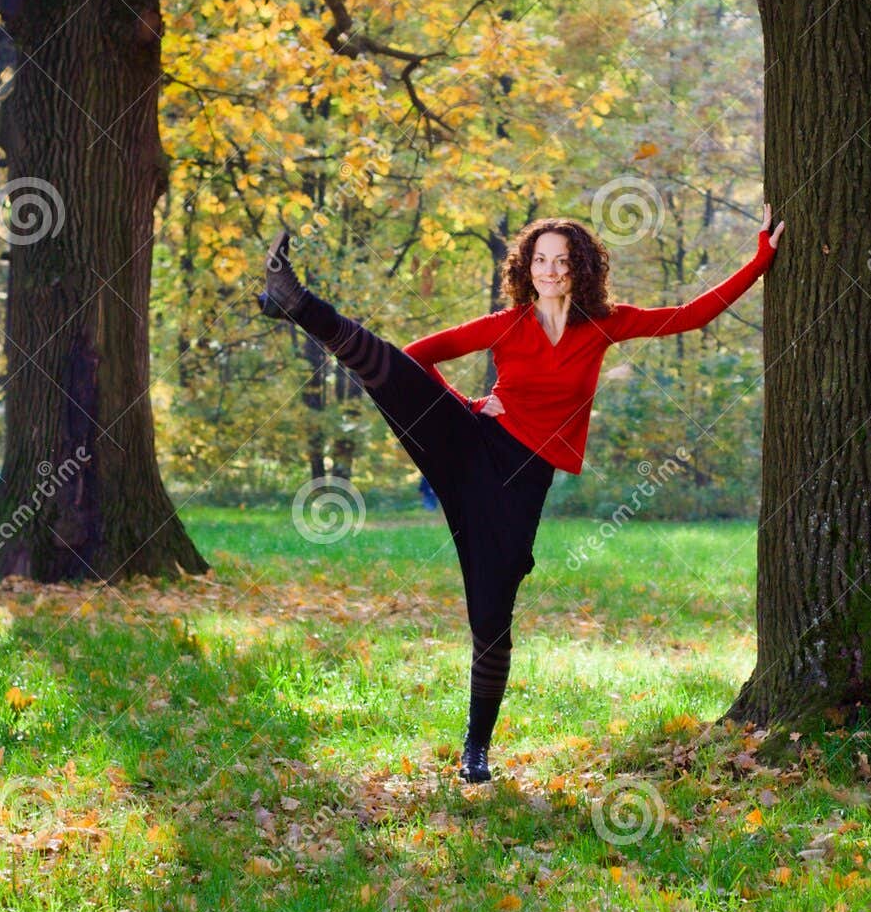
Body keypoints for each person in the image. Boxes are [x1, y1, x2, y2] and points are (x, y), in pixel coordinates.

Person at [258, 204, 783, 783]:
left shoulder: (604, 324)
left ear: (581, 268)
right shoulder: (505, 324)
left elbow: (691, 316)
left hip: (519, 482)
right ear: (526, 268)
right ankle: (297, 302)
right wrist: (473, 404)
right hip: (470, 439)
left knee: (492, 613)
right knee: (393, 375)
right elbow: (416, 357)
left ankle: (475, 749)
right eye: (541, 260)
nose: (552, 271)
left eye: (562, 261)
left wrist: (761, 258)